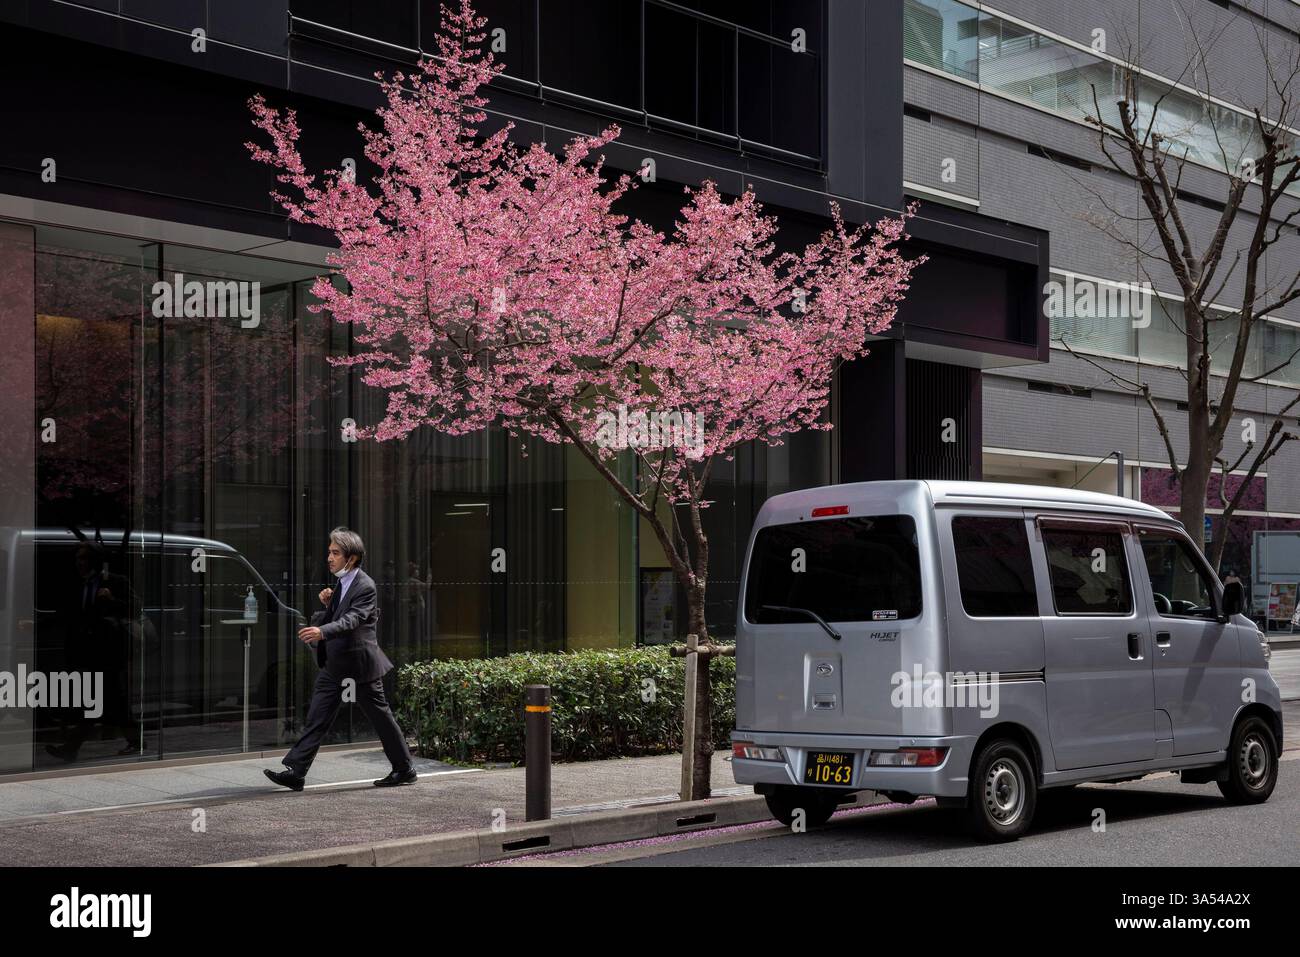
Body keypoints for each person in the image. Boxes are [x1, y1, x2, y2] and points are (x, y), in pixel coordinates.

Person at [264, 527, 416, 791]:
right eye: (329, 552)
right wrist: (330, 604)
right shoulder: (342, 583)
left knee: (381, 718)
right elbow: (344, 613)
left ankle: (404, 769)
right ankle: (296, 771)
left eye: (335, 553)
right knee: (317, 716)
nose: (329, 557)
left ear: (352, 558)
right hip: (336, 664)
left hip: (360, 665)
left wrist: (322, 631)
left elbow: (353, 620)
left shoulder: (365, 585)